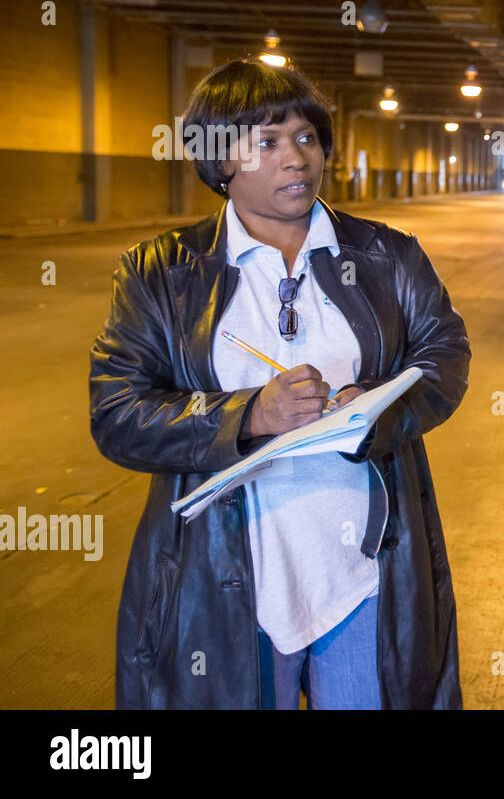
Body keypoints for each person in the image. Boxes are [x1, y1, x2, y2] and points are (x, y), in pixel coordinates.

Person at [89, 59, 471, 708]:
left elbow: (444, 355)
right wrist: (249, 416)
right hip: (228, 583)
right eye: (267, 142)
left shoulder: (388, 255)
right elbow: (119, 411)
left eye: (307, 137)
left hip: (362, 574)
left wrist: (373, 408)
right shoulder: (160, 273)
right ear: (219, 162)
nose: (296, 157)